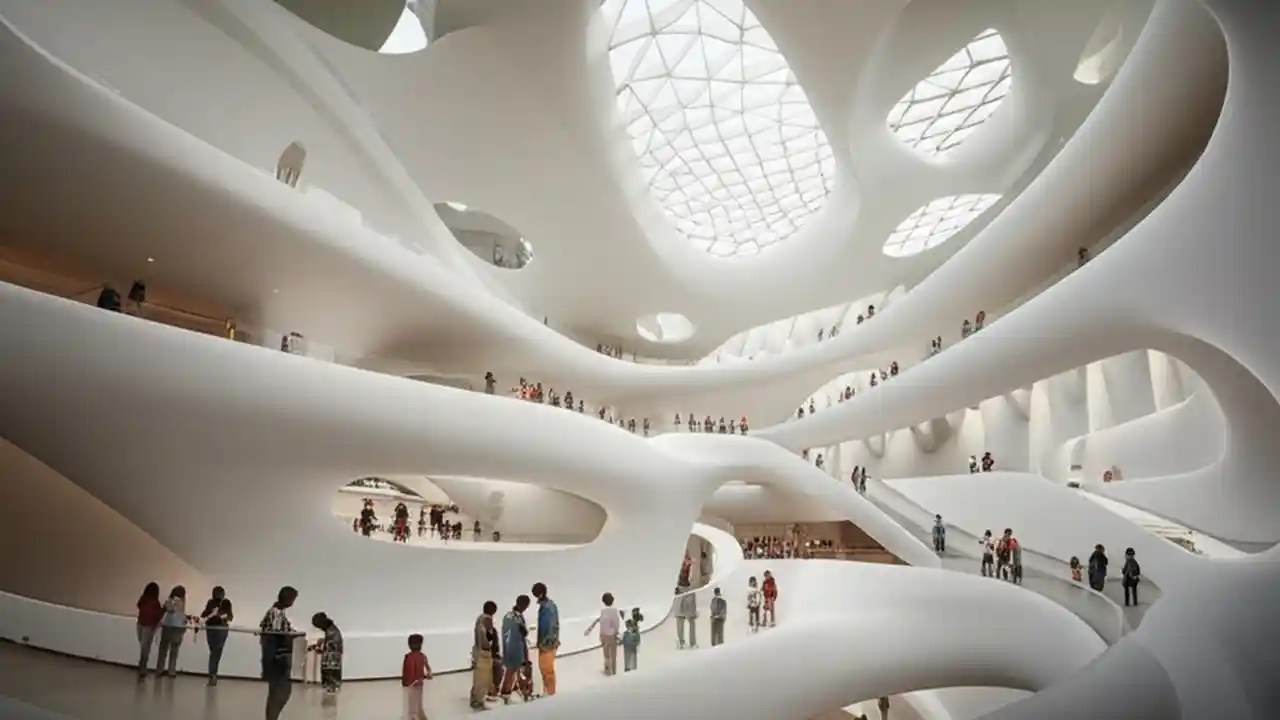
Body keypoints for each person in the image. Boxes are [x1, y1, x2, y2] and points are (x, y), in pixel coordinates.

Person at [260, 586, 300, 720]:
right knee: (279, 693)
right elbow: (277, 636)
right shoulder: (275, 614)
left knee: (279, 692)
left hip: (276, 658)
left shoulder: (277, 613)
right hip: (277, 659)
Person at [500, 595, 531, 702]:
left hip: (510, 649)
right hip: (514, 649)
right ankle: (506, 693)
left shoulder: (508, 616)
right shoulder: (516, 618)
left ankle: (513, 690)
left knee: (513, 671)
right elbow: (520, 634)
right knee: (512, 671)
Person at [201, 586, 233, 686]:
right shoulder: (211, 603)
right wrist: (212, 613)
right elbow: (204, 615)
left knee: (215, 652)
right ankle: (213, 674)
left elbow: (230, 616)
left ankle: (212, 675)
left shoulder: (226, 603)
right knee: (214, 652)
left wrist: (222, 615)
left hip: (221, 630)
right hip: (212, 629)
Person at [532, 582, 559, 696]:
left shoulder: (548, 608)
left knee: (547, 669)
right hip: (546, 642)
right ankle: (547, 690)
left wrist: (544, 642)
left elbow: (550, 626)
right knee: (544, 668)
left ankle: (551, 692)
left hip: (547, 643)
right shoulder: (547, 606)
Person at [583, 592, 621, 676]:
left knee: (606, 653)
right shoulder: (614, 611)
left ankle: (607, 669)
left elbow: (601, 622)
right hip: (612, 635)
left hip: (603, 635)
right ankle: (613, 670)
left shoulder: (603, 612)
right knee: (613, 654)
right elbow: (616, 623)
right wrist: (616, 632)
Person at [155, 586, 188, 677]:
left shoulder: (171, 601)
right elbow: (181, 616)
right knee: (174, 650)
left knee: (163, 649)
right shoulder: (181, 602)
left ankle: (159, 669)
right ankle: (171, 670)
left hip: (168, 626)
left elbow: (168, 609)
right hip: (177, 628)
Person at [471, 601, 498, 709]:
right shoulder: (488, 620)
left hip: (477, 651)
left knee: (478, 677)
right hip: (485, 653)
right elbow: (489, 638)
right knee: (485, 678)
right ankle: (479, 700)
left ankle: (474, 697)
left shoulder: (479, 619)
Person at [135, 582, 164, 678]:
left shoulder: (143, 599)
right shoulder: (155, 603)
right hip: (149, 626)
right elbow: (157, 615)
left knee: (143, 646)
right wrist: (164, 610)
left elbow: (138, 606)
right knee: (146, 648)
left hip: (140, 624)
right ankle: (142, 667)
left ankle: (142, 666)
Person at [402, 633, 433, 720]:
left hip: (411, 684)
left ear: (409, 645)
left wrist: (405, 683)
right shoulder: (422, 656)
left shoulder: (408, 657)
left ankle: (414, 717)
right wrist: (428, 675)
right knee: (418, 702)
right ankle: (420, 716)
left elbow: (406, 670)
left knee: (412, 704)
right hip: (420, 683)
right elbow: (428, 670)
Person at [311, 612, 343, 696]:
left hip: (332, 659)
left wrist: (320, 649)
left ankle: (331, 687)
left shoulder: (332, 632)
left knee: (331, 672)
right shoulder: (331, 630)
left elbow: (332, 647)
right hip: (331, 658)